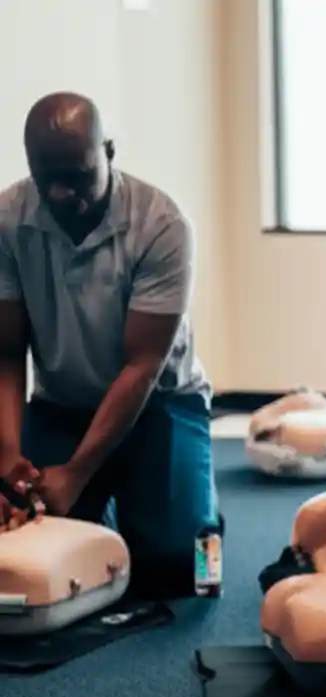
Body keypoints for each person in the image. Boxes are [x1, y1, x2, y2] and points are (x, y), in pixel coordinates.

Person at [0, 92, 221, 598]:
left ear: (109, 153)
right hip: (61, 406)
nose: (60, 195)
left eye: (77, 177)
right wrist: (9, 455)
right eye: (46, 178)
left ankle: (198, 505)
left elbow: (141, 367)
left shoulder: (161, 225)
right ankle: (115, 494)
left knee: (174, 564)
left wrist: (77, 473)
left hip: (160, 403)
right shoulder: (8, 221)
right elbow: (8, 352)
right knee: (23, 539)